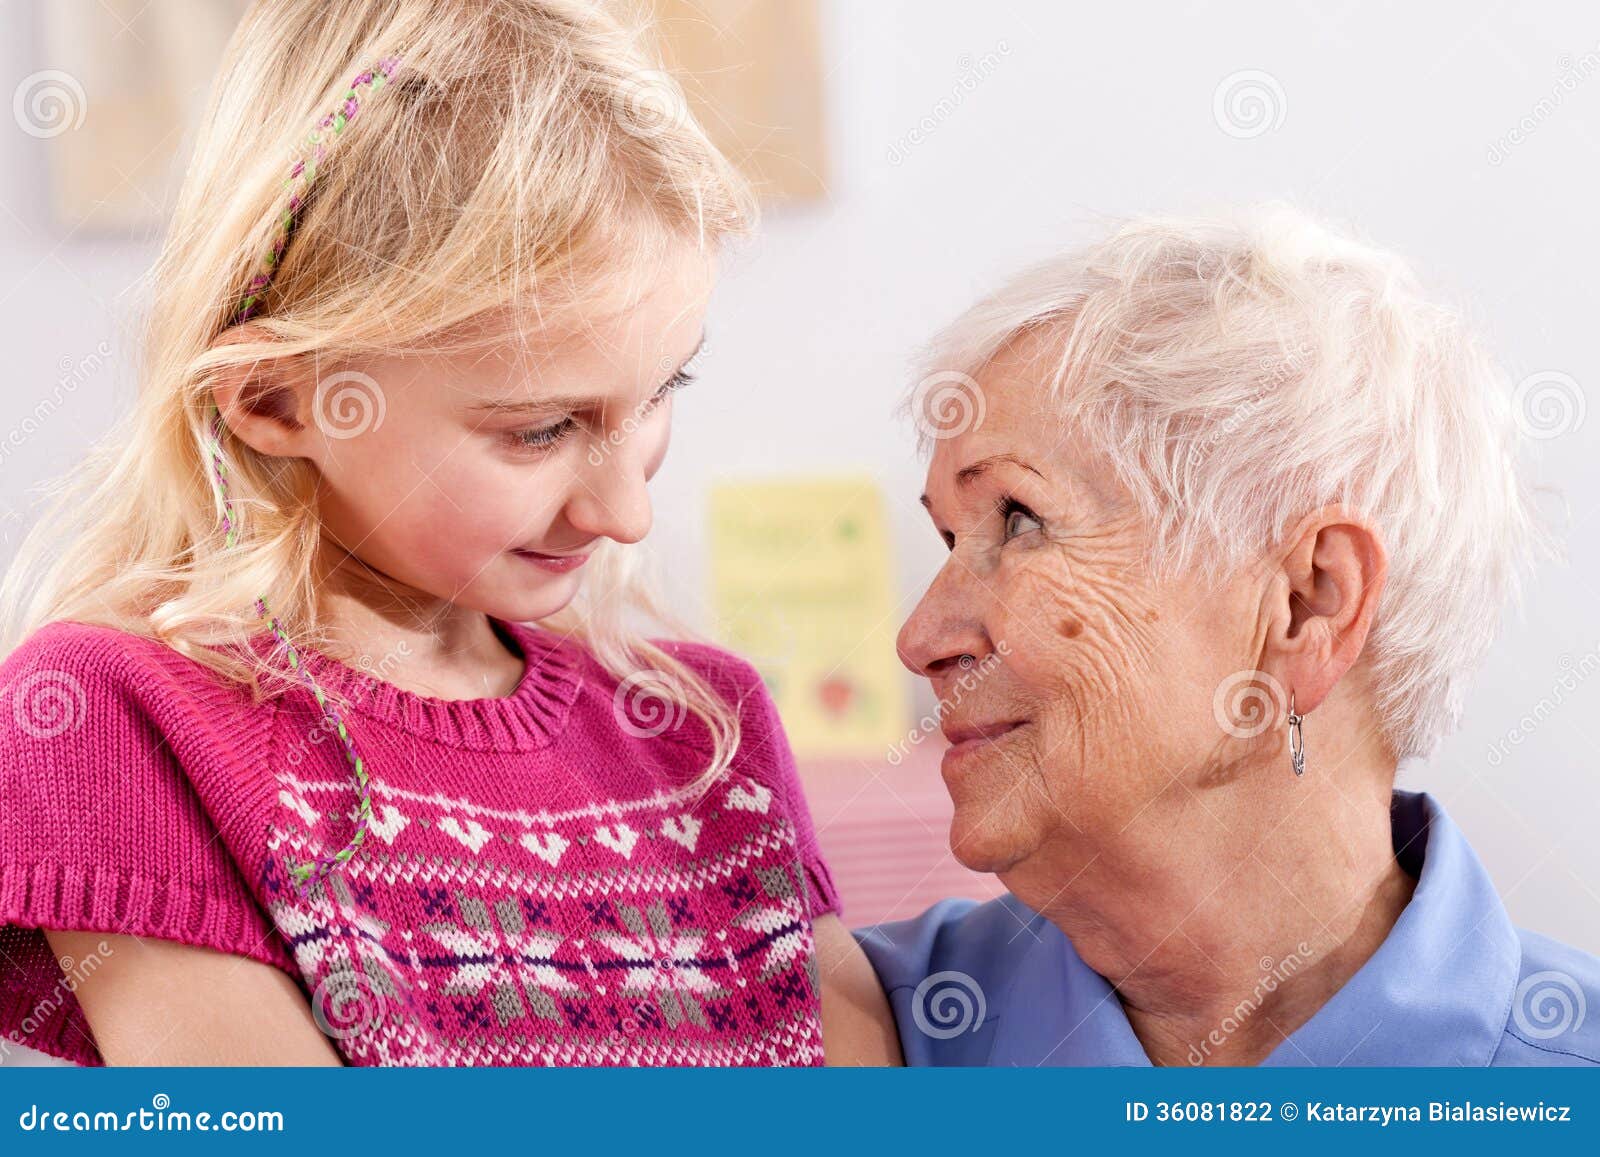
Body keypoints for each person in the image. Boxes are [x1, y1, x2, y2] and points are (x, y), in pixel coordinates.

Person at [0, 0, 896, 1068]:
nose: (625, 513)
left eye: (662, 390)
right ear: (276, 399)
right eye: (542, 429)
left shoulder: (708, 729)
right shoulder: (116, 717)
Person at [857, 206, 1600, 1066]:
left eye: (1020, 521)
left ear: (1307, 605)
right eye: (950, 539)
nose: (920, 640)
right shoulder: (846, 1035)